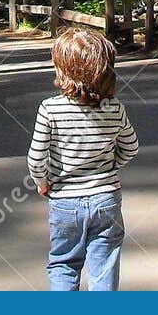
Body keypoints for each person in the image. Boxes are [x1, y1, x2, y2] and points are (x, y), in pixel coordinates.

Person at [27, 28, 140, 291]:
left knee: (64, 262)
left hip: (65, 200)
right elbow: (131, 147)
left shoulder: (49, 109)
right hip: (106, 198)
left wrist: (42, 181)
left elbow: (36, 157)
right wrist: (111, 166)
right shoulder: (114, 107)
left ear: (63, 71)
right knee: (105, 263)